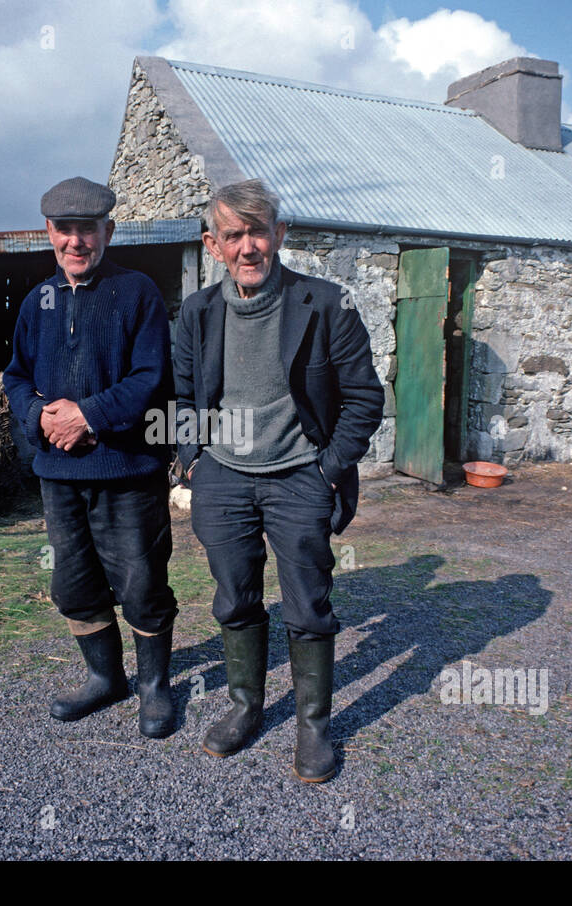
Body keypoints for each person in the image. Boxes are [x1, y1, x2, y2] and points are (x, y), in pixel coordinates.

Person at [174, 179, 384, 781]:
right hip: (224, 481)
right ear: (213, 245)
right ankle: (246, 706)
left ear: (280, 235)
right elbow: (184, 395)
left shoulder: (327, 303)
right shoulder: (197, 313)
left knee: (309, 607)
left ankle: (314, 726)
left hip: (300, 478)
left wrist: (328, 470)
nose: (248, 247)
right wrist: (194, 460)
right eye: (234, 235)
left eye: (258, 231)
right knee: (235, 598)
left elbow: (364, 398)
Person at [3, 176, 177, 738]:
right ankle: (107, 678)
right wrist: (39, 418)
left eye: (88, 230)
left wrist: (87, 416)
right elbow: (16, 379)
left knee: (142, 582)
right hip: (59, 474)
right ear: (48, 233)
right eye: (65, 230)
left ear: (109, 230)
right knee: (73, 583)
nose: (76, 242)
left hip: (128, 470)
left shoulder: (137, 293)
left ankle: (154, 687)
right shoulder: (37, 302)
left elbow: (150, 379)